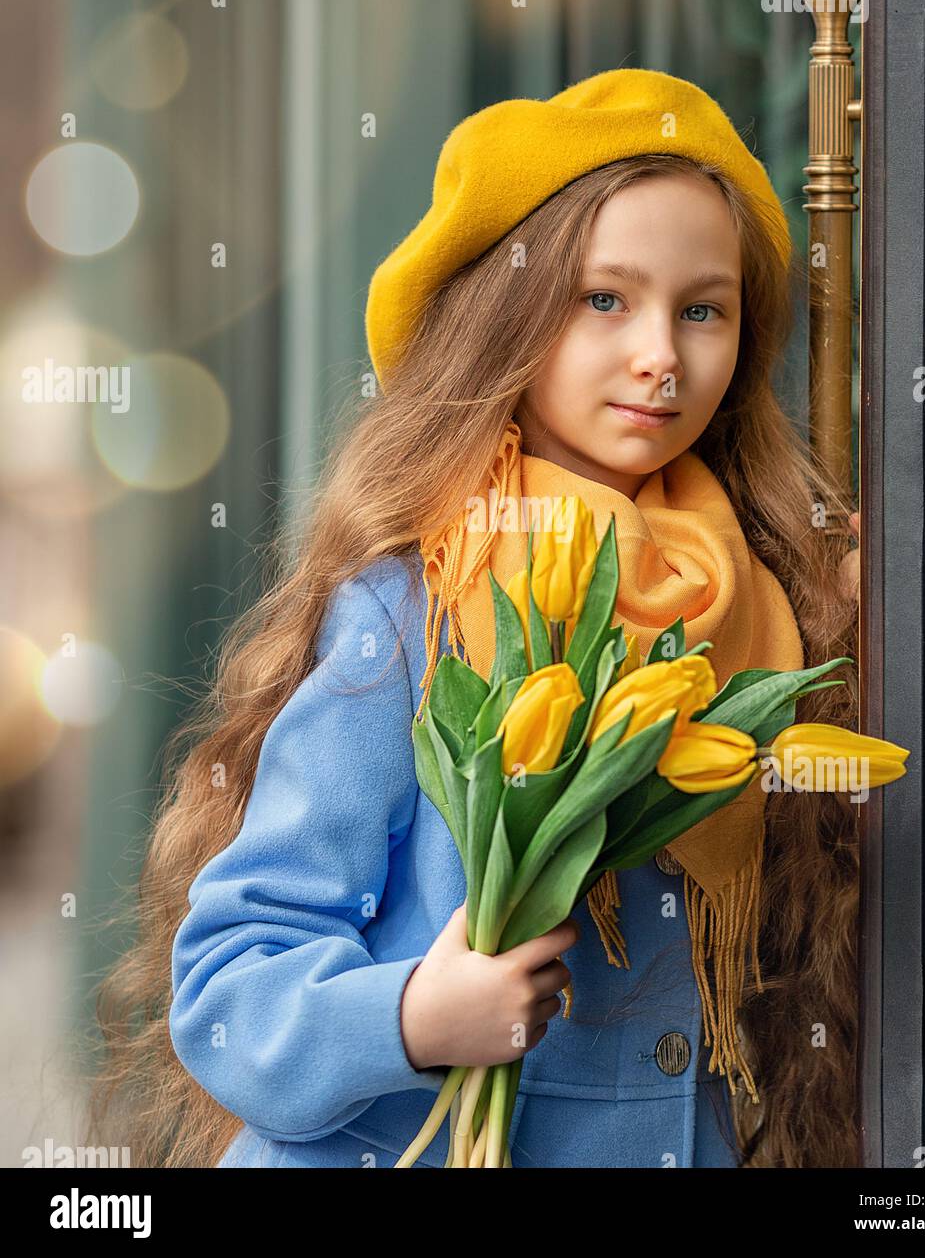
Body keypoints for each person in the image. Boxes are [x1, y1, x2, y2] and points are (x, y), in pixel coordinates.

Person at [89, 68, 861, 1168]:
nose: (660, 353)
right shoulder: (411, 611)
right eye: (605, 299)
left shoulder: (750, 607)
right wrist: (412, 1014)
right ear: (507, 316)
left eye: (704, 309)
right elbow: (228, 988)